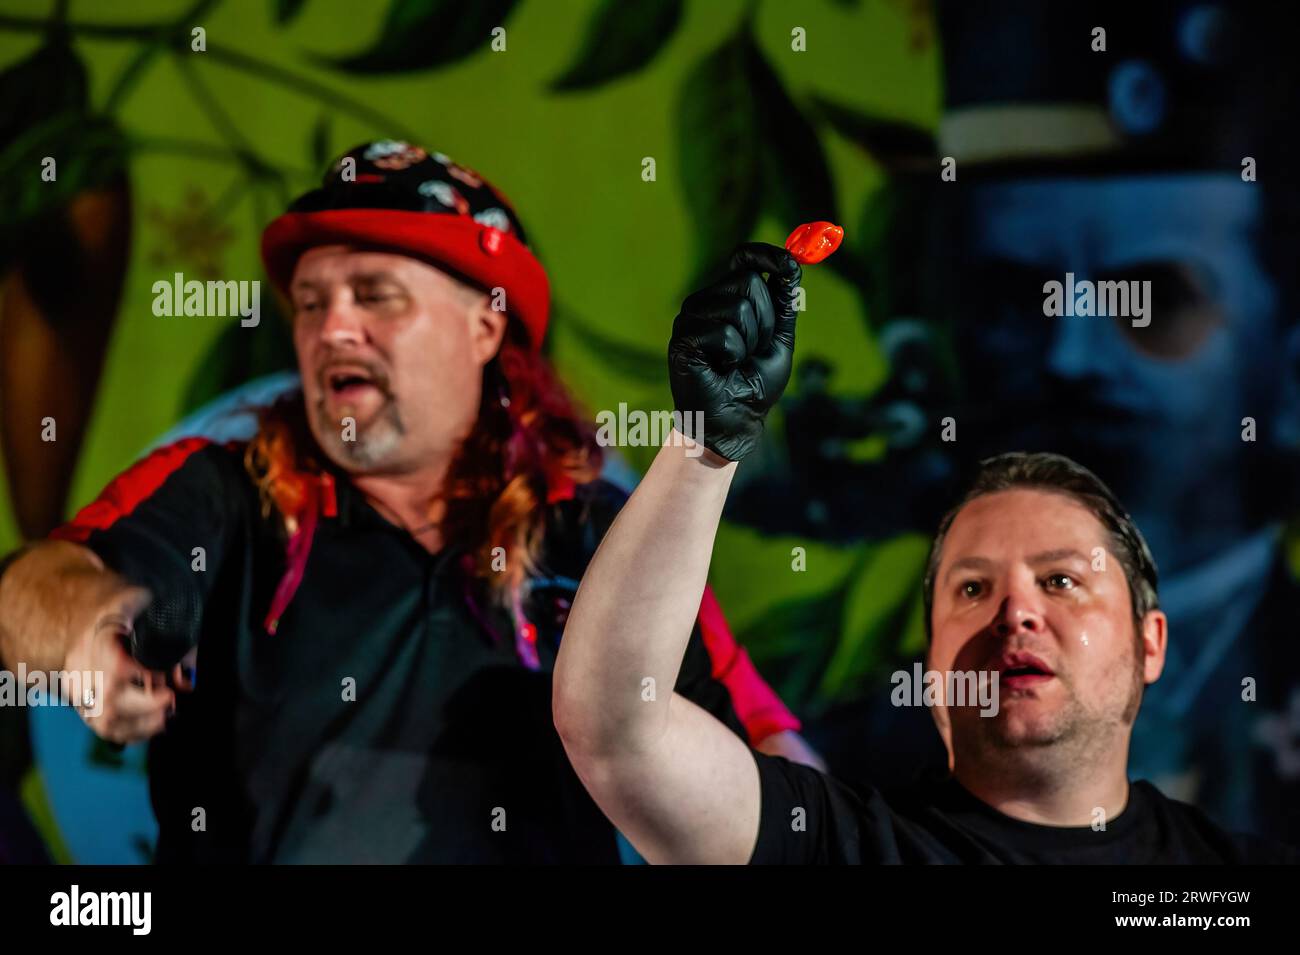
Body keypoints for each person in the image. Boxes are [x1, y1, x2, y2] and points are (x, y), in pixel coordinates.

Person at [0, 142, 816, 863]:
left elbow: (769, 758)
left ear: (484, 329)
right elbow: (29, 592)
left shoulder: (599, 530)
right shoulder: (222, 489)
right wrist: (83, 637)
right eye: (312, 302)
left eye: (375, 294)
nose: (332, 328)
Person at [551, 241, 1299, 864]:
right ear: (932, 659)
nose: (1017, 615)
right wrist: (709, 442)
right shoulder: (850, 848)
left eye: (1062, 580)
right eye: (971, 589)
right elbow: (618, 731)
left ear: (1149, 642)